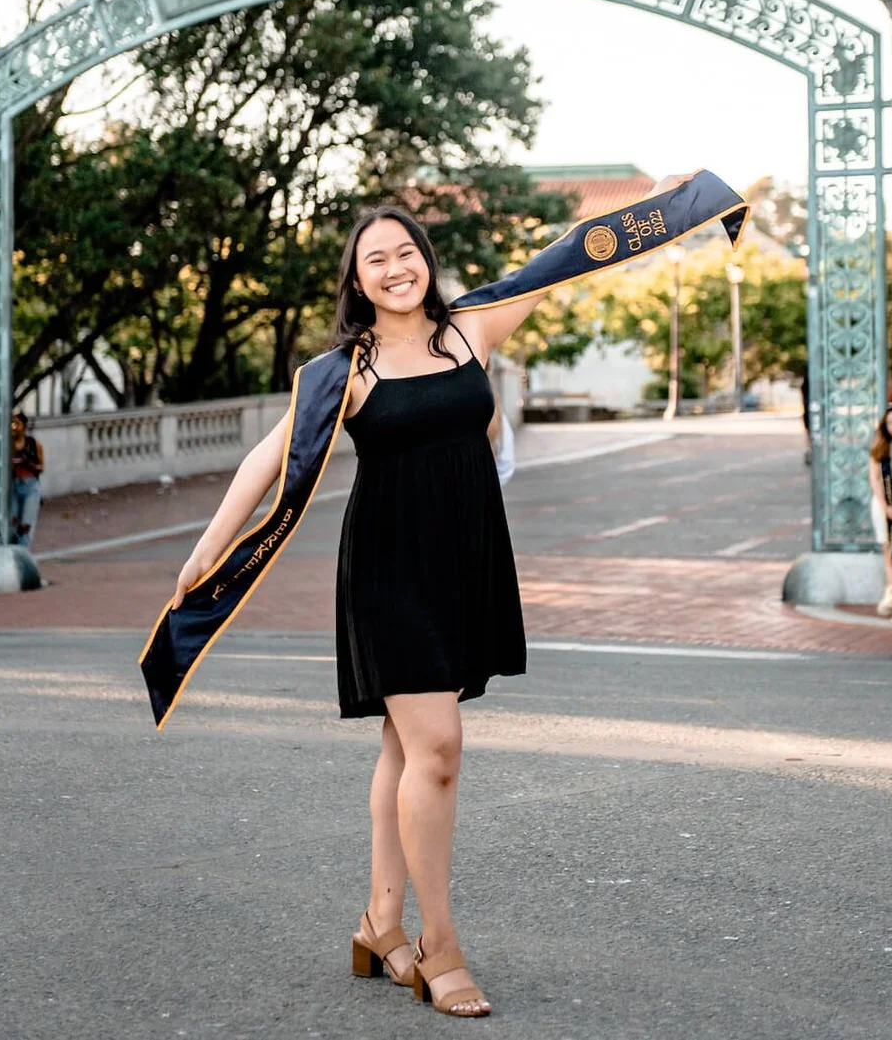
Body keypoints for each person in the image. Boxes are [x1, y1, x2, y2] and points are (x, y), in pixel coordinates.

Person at [166, 174, 715, 1019]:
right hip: (390, 566)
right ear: (357, 281)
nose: (395, 268)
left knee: (404, 747)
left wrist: (674, 203)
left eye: (406, 251)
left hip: (465, 555)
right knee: (440, 748)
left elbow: (573, 256)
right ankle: (438, 944)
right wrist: (206, 551)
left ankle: (379, 920)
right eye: (374, 259)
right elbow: (264, 460)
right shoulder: (341, 370)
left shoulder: (475, 327)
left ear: (427, 259)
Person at [869, 404, 892, 621]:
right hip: (885, 507)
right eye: (891, 422)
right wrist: (885, 507)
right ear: (885, 426)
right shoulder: (881, 449)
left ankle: (891, 594)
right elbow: (875, 481)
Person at [10, 411, 44, 546]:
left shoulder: (33, 444)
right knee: (12, 524)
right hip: (14, 484)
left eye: (16, 423)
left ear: (23, 425)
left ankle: (23, 553)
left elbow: (40, 467)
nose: (14, 427)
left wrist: (27, 462)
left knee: (26, 524)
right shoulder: (9, 445)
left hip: (29, 484)